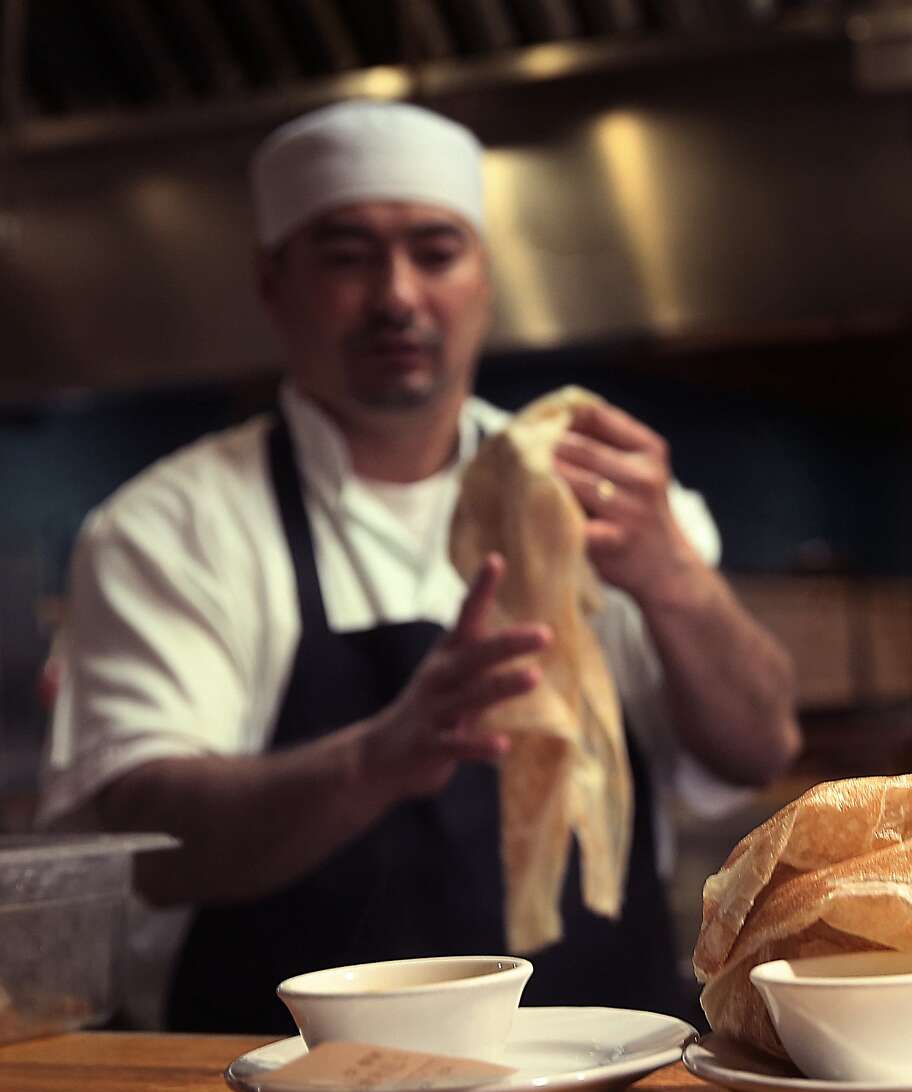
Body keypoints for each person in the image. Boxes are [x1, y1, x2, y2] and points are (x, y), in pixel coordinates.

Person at [38, 101, 800, 1032]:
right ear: (273, 284)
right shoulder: (170, 527)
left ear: (484, 279)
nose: (397, 294)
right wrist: (375, 756)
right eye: (347, 256)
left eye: (435, 252)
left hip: (612, 1085)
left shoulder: (599, 492)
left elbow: (763, 744)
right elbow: (148, 840)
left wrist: (674, 574)